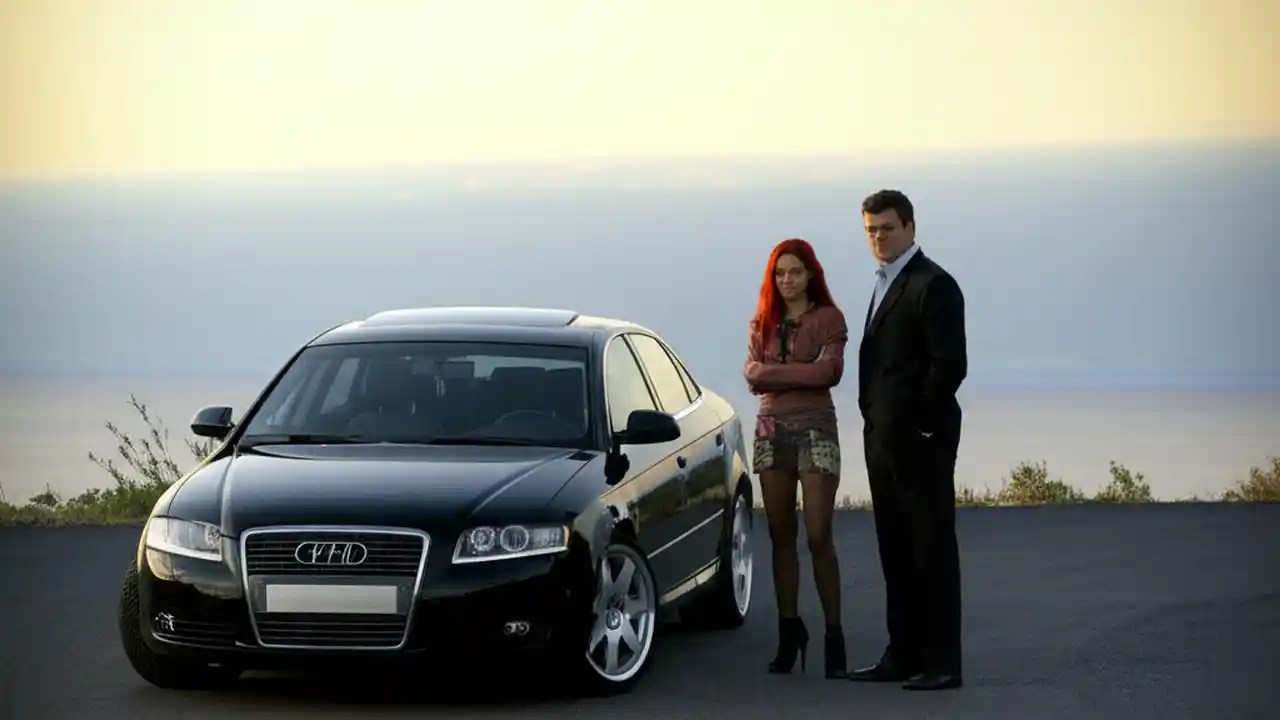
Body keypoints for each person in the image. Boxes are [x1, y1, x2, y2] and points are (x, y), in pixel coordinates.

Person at [845, 189, 967, 691]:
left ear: (911, 227)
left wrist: (918, 425)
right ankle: (903, 654)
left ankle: (942, 663)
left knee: (931, 553)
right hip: (884, 445)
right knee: (895, 551)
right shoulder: (885, 282)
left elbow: (949, 364)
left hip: (920, 442)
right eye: (871, 229)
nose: (878, 237)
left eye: (888, 228)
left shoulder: (933, 284)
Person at [743, 238, 850, 679]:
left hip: (816, 429)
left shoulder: (830, 319)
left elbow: (830, 373)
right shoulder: (761, 323)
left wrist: (773, 375)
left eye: (795, 272)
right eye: (779, 273)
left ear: (811, 275)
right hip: (771, 432)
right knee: (780, 534)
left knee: (819, 534)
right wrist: (793, 374)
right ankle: (790, 633)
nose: (787, 280)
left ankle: (834, 635)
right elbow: (751, 376)